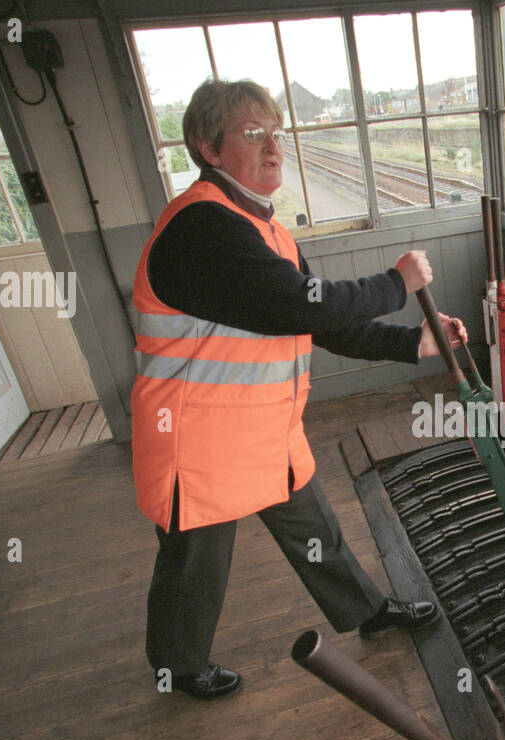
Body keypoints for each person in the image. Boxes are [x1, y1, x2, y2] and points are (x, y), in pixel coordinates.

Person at [131, 78, 467, 700]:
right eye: (252, 134)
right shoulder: (203, 226)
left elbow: (321, 321)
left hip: (262, 433)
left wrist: (409, 341)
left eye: (276, 133)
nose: (272, 147)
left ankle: (367, 612)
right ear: (208, 148)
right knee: (194, 565)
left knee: (317, 531)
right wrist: (396, 283)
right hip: (198, 443)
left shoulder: (265, 230)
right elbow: (298, 304)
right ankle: (177, 664)